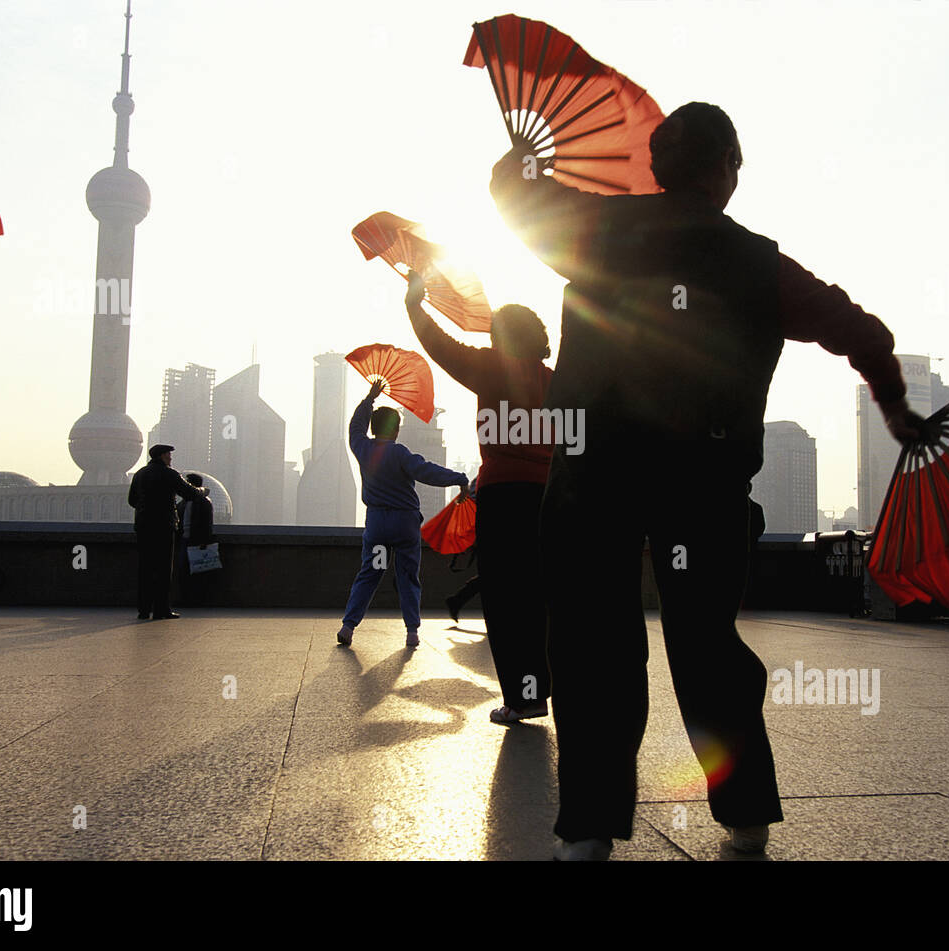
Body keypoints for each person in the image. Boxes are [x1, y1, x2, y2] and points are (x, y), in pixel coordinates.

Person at [489, 102, 919, 859]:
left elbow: (512, 196)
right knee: (706, 643)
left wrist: (525, 153)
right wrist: (894, 404)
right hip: (705, 483)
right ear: (726, 167)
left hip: (595, 473)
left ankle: (589, 826)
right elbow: (860, 331)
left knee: (591, 639)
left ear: (657, 169)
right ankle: (745, 812)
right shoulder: (760, 263)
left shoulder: (598, 229)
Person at [404, 270, 554, 722]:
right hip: (550, 497)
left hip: (505, 497)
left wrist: (415, 304)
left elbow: (440, 345)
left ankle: (522, 699)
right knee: (541, 597)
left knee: (506, 598)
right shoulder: (557, 381)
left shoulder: (491, 369)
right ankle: (542, 689)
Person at [337, 380, 470, 648]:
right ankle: (411, 631)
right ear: (397, 430)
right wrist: (458, 478)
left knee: (370, 573)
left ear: (374, 428)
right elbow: (427, 471)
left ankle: (348, 627)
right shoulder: (400, 453)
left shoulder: (363, 449)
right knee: (408, 576)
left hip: (376, 523)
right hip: (405, 523)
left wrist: (369, 399)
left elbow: (354, 427)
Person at [128, 444, 204, 620]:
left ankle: (144, 609)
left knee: (145, 568)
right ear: (162, 456)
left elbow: (132, 500)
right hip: (163, 526)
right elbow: (190, 493)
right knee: (163, 568)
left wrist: (145, 509)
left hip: (143, 526)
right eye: (169, 455)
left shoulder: (140, 474)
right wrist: (202, 491)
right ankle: (161, 609)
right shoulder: (169, 474)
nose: (171, 458)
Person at [175, 473, 215, 605]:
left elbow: (207, 524)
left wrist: (205, 541)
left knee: (197, 573)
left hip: (196, 541)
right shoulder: (183, 503)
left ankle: (196, 599)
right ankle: (184, 598)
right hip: (184, 540)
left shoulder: (204, 502)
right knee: (182, 571)